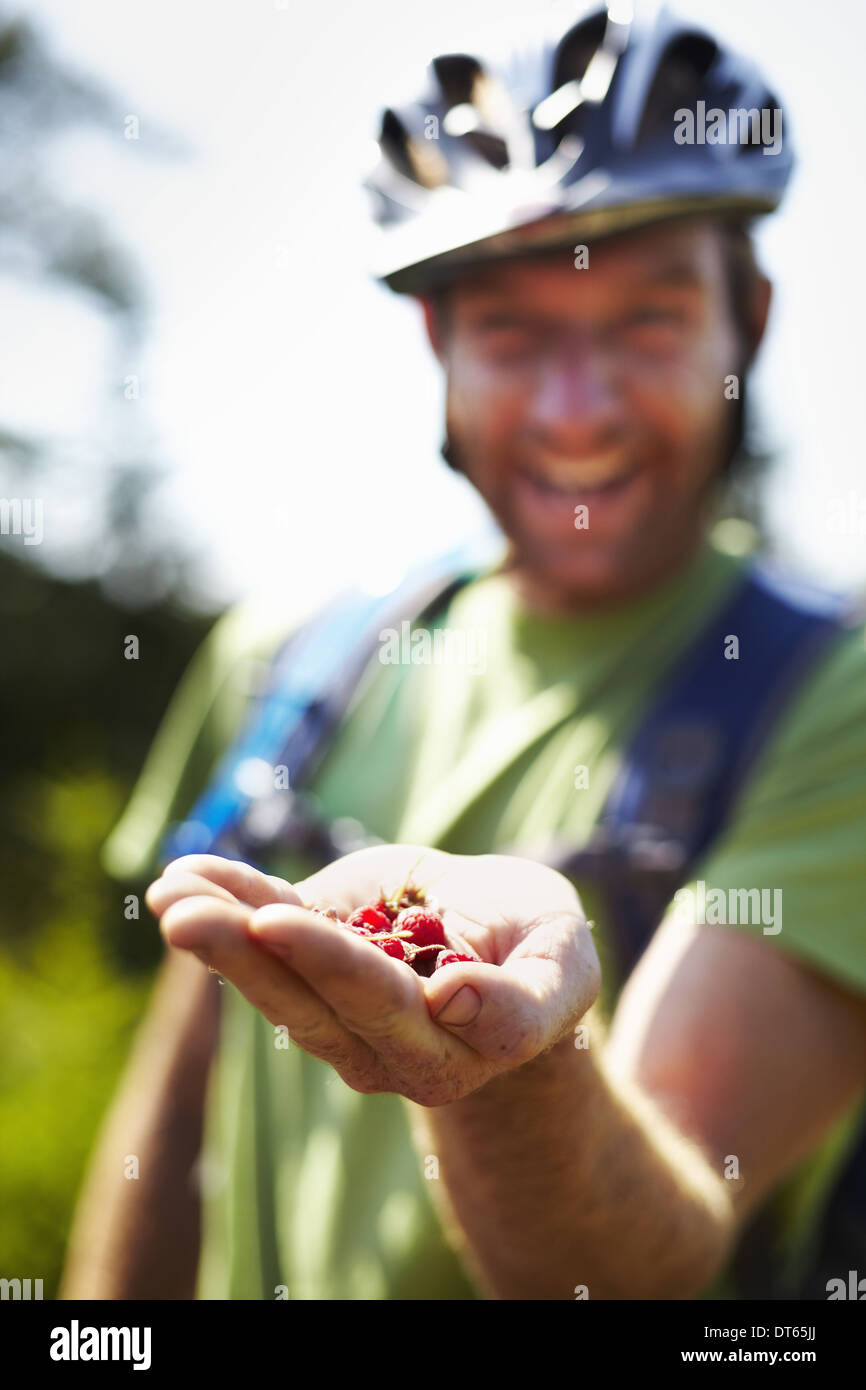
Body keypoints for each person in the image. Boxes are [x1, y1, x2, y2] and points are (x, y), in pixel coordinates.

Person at [60, 5, 866, 1301]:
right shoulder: (286, 659)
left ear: (748, 324)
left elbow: (653, 1260)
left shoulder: (838, 700)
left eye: (646, 323)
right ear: (437, 346)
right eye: (509, 332)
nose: (574, 410)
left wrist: (509, 1074)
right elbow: (178, 1110)